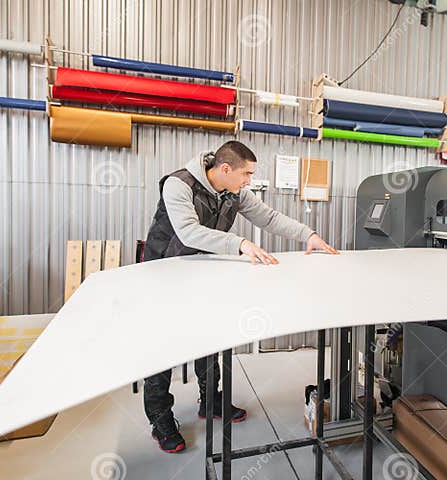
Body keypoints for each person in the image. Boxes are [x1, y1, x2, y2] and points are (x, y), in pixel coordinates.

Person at [142, 140, 338, 453]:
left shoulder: (235, 193)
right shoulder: (179, 185)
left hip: (203, 274)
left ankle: (211, 400)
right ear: (225, 169)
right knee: (163, 347)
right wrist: (241, 244)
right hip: (164, 275)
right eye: (246, 173)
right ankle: (160, 417)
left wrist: (308, 235)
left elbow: (270, 218)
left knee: (209, 339)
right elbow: (188, 232)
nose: (249, 180)